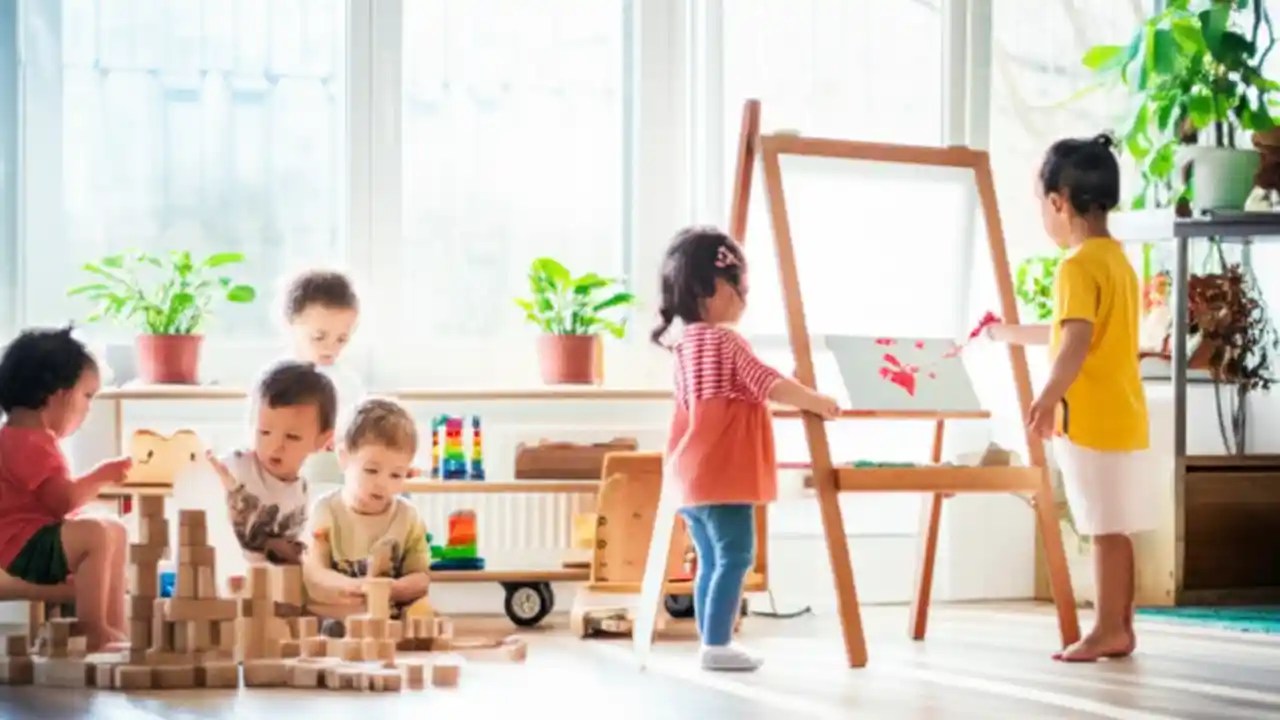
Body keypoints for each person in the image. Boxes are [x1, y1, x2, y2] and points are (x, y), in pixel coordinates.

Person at [986, 133, 1151, 662]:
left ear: (1059, 203)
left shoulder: (1075, 266)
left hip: (1089, 420)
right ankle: (1120, 627)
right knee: (1115, 528)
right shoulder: (1117, 262)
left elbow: (1075, 341)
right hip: (1123, 415)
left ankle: (1105, 629)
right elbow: (1071, 331)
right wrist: (1006, 334)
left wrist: (1045, 396)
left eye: (1042, 204)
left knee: (1101, 530)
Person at [652, 227, 840, 672]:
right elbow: (766, 383)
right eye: (742, 290)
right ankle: (717, 643)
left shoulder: (685, 345)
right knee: (736, 557)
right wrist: (816, 400)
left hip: (690, 475)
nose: (745, 301)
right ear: (714, 289)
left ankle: (710, 642)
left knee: (710, 560)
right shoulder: (726, 341)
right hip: (725, 475)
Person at [0, 327, 132, 651]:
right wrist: (102, 475)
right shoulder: (27, 443)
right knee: (95, 534)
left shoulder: (24, 438)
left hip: (28, 539)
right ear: (59, 395)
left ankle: (114, 626)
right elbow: (62, 501)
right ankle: (93, 628)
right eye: (87, 396)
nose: (88, 409)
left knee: (112, 528)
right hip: (18, 549)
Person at [302, 398, 430, 635]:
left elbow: (421, 578)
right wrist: (357, 586)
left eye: (396, 475)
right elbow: (315, 571)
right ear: (343, 457)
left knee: (423, 612)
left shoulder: (408, 517)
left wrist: (393, 588)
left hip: (387, 615)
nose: (382, 483)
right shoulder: (326, 510)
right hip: (338, 612)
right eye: (371, 470)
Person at [209, 360, 336, 566]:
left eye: (292, 437)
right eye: (264, 432)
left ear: (322, 441)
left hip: (276, 581)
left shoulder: (302, 491)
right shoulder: (238, 467)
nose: (275, 446)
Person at [281, 270, 366, 497]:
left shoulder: (349, 383)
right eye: (319, 337)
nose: (331, 348)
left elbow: (361, 437)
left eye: (342, 339)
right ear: (291, 324)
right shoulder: (277, 380)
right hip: (290, 484)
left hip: (339, 485)